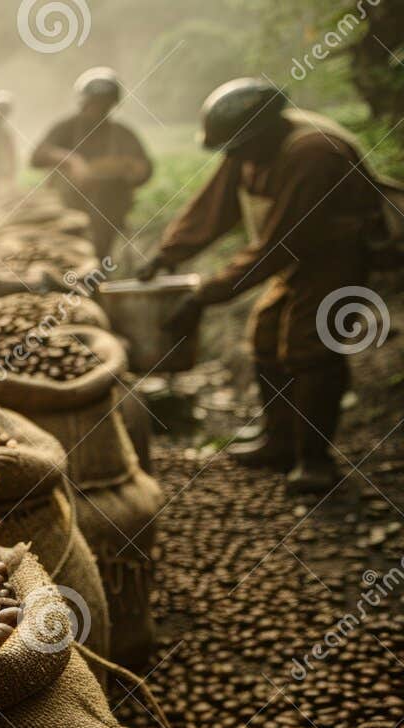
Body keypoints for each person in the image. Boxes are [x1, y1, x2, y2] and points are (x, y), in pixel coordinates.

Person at [139, 78, 390, 495]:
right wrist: (168, 253)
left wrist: (207, 294)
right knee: (266, 334)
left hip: (335, 258)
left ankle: (314, 460)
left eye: (238, 149)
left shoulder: (312, 153)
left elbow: (279, 243)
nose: (234, 158)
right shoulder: (249, 147)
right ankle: (280, 441)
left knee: (311, 346)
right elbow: (214, 205)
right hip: (297, 257)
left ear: (268, 129)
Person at [30, 67, 153, 259]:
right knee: (67, 255)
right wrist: (71, 161)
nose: (99, 109)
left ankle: (97, 274)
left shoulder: (122, 134)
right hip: (66, 209)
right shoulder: (66, 128)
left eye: (105, 104)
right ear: (84, 102)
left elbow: (143, 169)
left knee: (99, 255)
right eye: (95, 103)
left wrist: (129, 169)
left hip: (108, 211)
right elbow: (37, 156)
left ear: (112, 105)